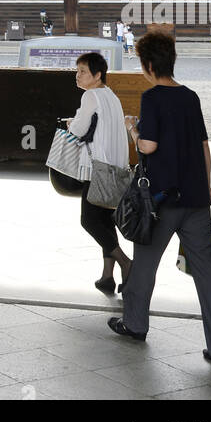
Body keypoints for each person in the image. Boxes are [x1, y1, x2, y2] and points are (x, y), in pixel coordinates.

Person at [108, 29, 211, 366]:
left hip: (161, 202)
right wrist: (207, 185)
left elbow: (148, 146)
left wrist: (132, 128)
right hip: (195, 199)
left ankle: (135, 324)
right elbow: (204, 146)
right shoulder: (190, 96)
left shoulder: (152, 98)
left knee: (145, 266)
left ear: (149, 65)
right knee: (207, 271)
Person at [63, 52, 132, 296]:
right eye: (77, 70)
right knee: (104, 220)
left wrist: (72, 124)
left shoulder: (90, 95)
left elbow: (80, 130)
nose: (78, 75)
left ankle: (126, 263)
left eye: (83, 71)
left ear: (97, 75)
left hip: (97, 169)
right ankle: (107, 276)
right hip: (115, 168)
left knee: (89, 220)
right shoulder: (110, 96)